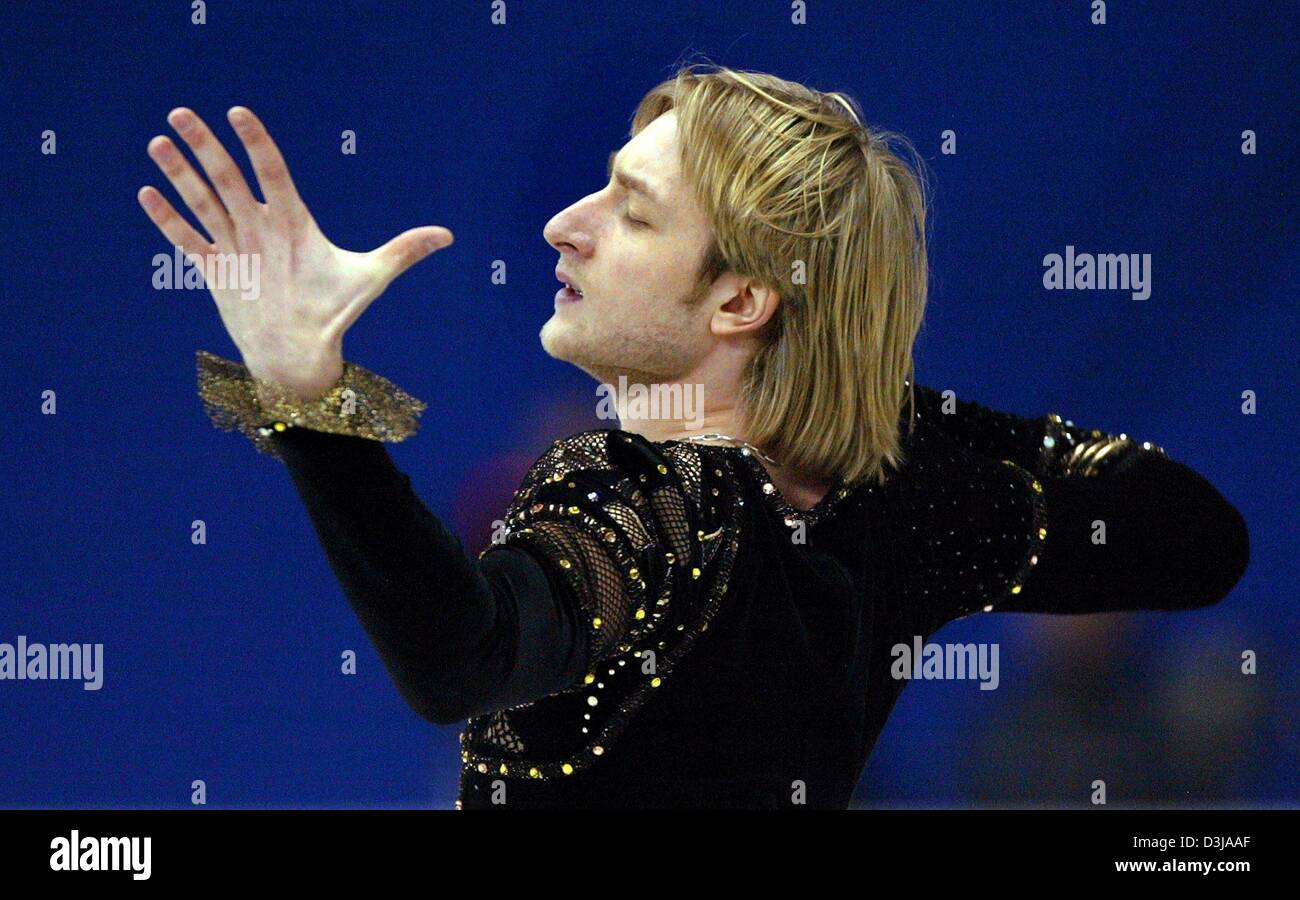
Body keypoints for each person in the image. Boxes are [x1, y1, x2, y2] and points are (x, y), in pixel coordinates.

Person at [139, 64, 1250, 809]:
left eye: (629, 212)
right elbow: (1197, 537)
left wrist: (312, 404)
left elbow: (461, 658)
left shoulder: (641, 494)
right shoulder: (890, 507)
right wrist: (863, 410)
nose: (563, 226)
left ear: (738, 303)